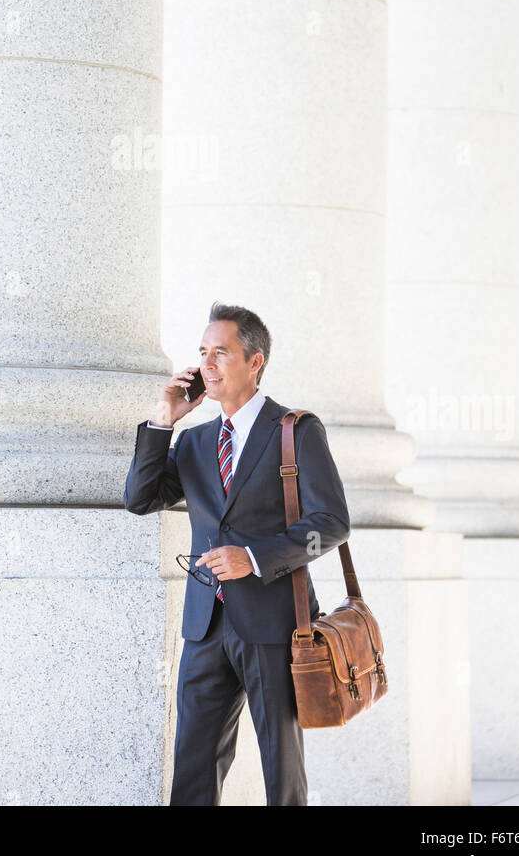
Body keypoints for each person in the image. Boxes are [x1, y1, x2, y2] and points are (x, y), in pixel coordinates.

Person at [123, 301, 351, 806]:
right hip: (205, 621)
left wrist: (255, 556)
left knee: (280, 761)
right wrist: (164, 421)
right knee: (194, 759)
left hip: (274, 620)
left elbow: (331, 525)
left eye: (221, 352)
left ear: (255, 361)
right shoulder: (196, 440)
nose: (208, 363)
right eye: (203, 352)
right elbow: (139, 500)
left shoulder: (295, 431)